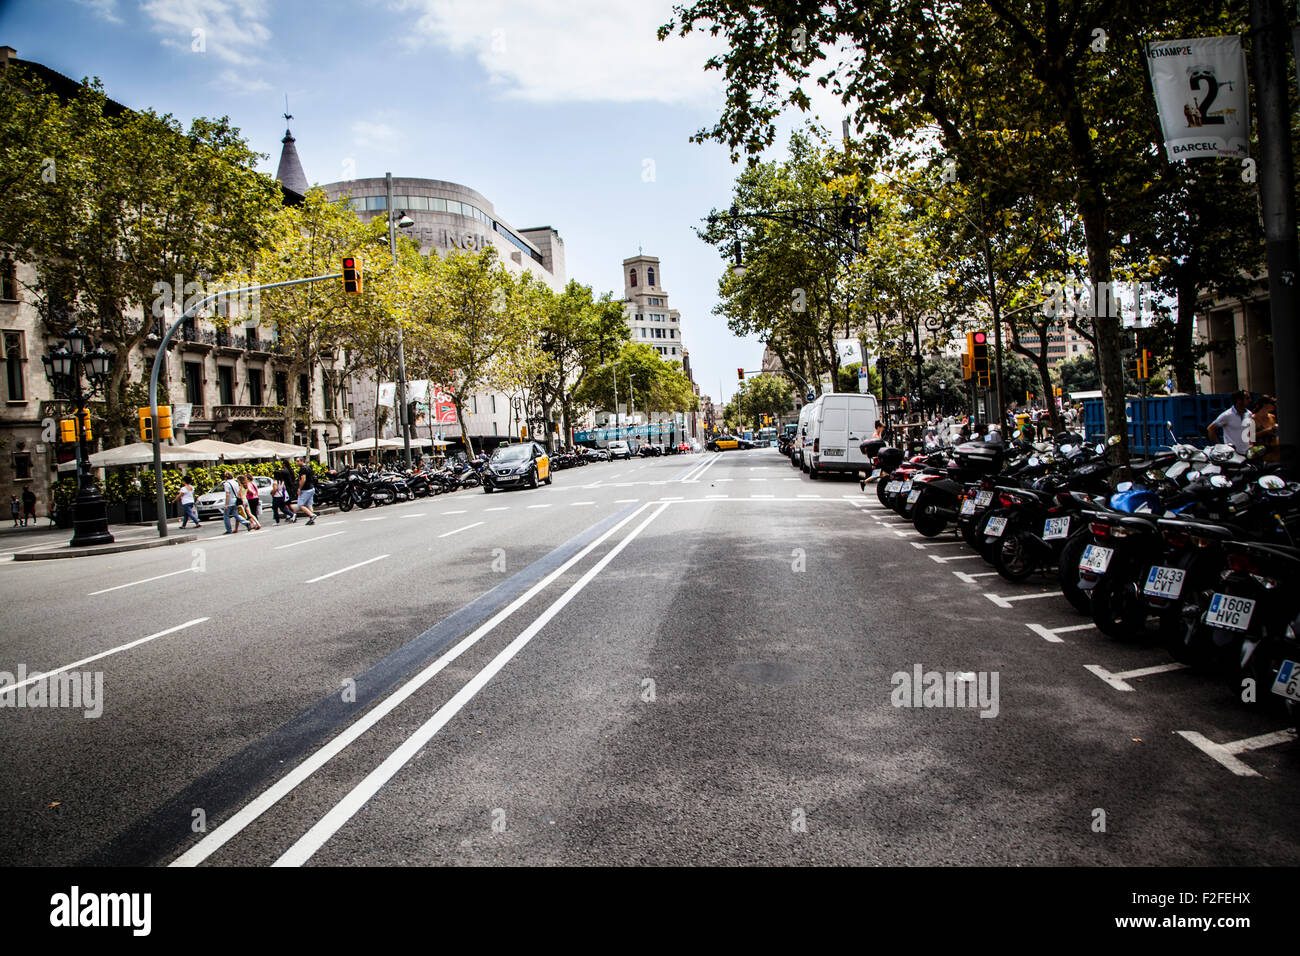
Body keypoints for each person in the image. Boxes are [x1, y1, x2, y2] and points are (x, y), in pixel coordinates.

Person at [1207, 389, 1253, 455]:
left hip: (1247, 453)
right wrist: (1220, 447)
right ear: (1239, 400)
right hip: (1232, 454)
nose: (1250, 400)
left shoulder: (1249, 414)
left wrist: (1251, 444)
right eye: (1247, 398)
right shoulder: (1227, 415)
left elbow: (1250, 431)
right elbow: (1210, 429)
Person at [220, 470, 250, 534]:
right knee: (236, 514)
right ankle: (246, 522)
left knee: (226, 516)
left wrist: (226, 504)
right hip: (236, 501)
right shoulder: (235, 482)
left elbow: (227, 494)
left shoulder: (226, 484)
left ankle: (229, 530)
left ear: (225, 477)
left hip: (230, 502)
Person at [1252, 394, 1280, 462]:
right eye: (1272, 403)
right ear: (1265, 404)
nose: (1274, 405)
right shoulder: (1252, 418)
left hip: (1274, 449)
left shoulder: (1272, 417)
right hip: (1261, 451)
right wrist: (1265, 432)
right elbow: (1250, 437)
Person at [294, 457, 318, 526]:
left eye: (298, 461)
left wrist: (299, 488)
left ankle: (312, 515)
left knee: (300, 505)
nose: (297, 463)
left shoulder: (302, 469)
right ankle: (311, 518)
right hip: (311, 488)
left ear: (302, 461)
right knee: (309, 504)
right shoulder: (308, 467)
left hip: (306, 489)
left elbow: (303, 479)